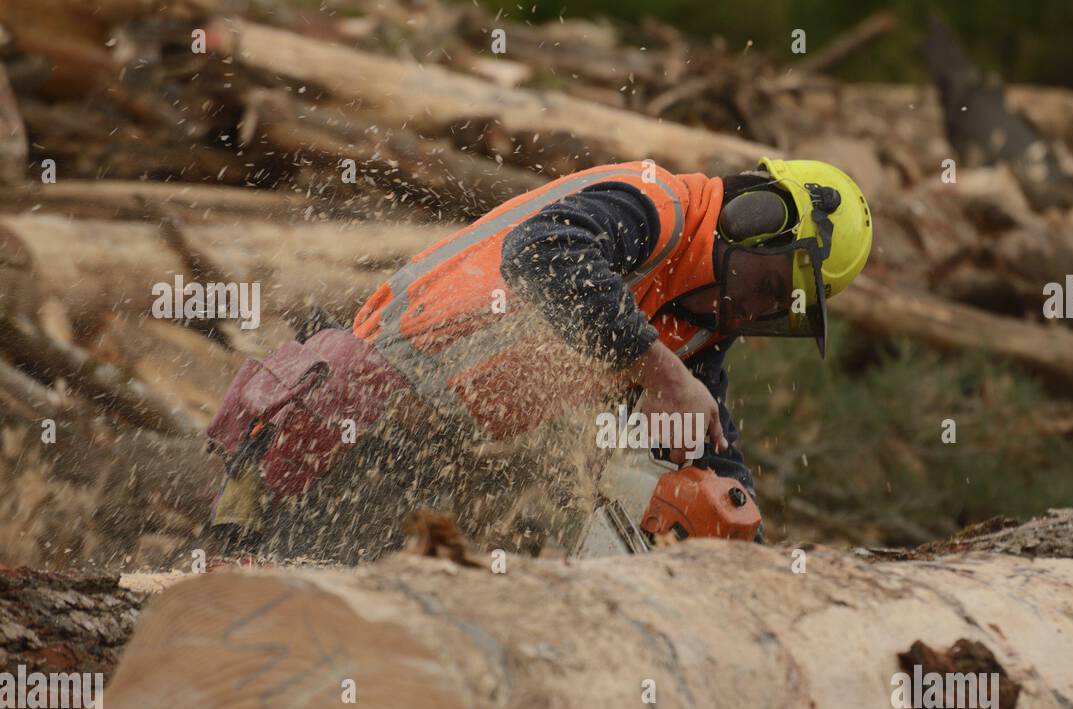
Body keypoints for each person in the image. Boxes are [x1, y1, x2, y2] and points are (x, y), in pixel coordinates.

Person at [203, 157, 873, 561]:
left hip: (444, 454)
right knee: (284, 605)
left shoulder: (700, 321)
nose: (756, 311)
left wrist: (745, 532)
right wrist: (657, 368)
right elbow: (545, 254)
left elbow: (707, 437)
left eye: (780, 308)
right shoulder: (654, 203)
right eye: (769, 287)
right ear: (756, 217)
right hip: (367, 405)